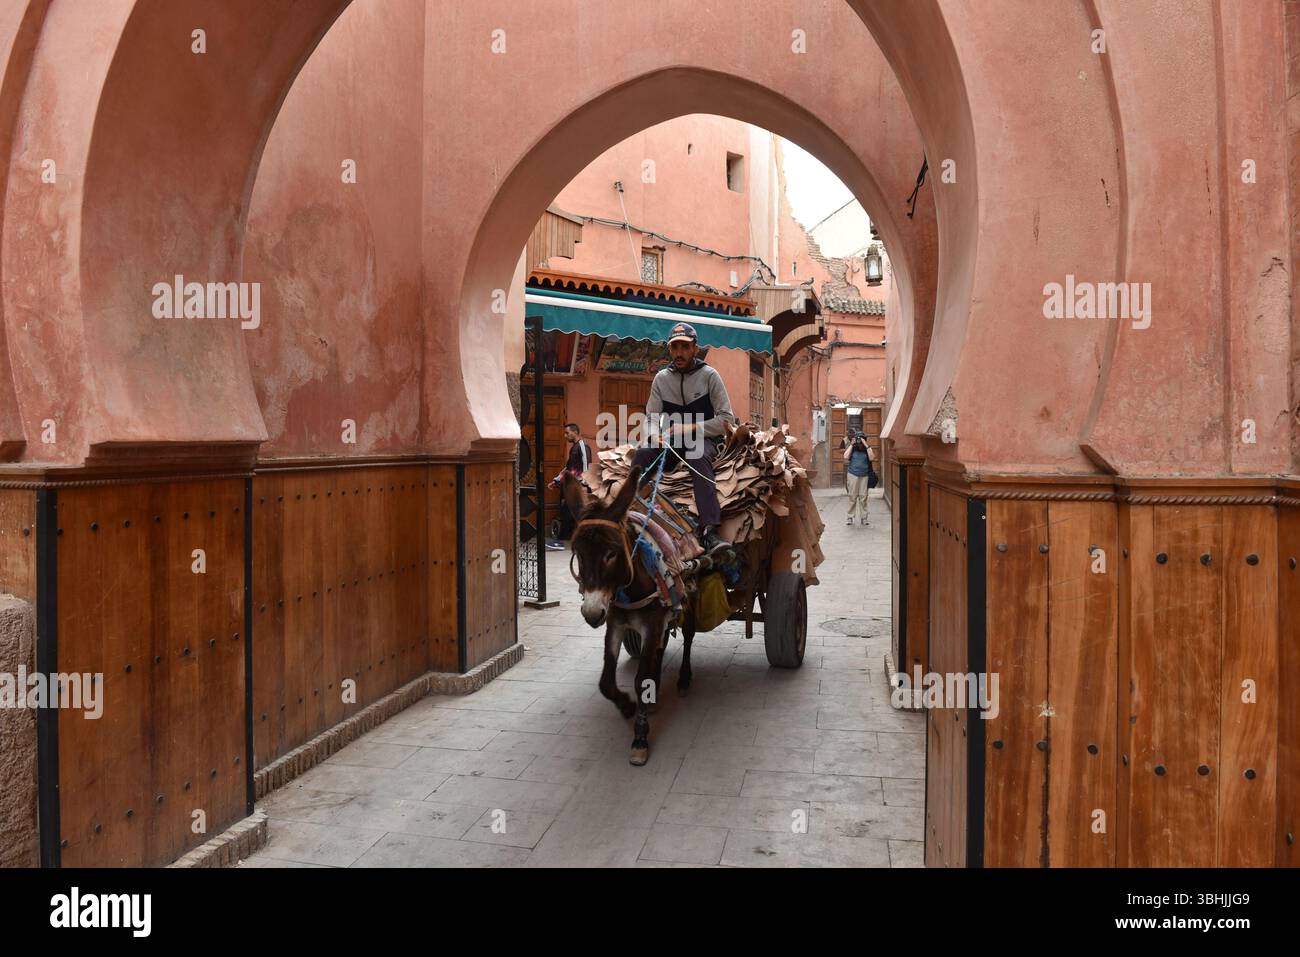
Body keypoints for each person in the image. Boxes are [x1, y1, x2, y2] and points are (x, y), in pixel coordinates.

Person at [632, 322, 732, 556]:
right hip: (671, 443)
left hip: (705, 439)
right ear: (670, 349)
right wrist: (654, 435)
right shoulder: (661, 379)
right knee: (641, 455)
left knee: (698, 457)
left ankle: (710, 530)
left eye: (685, 347)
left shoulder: (710, 376)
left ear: (695, 349)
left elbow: (726, 420)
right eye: (675, 347)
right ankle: (627, 509)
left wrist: (689, 428)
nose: (679, 352)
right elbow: (650, 417)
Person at [548, 423, 593, 548]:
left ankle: (564, 541)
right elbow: (568, 468)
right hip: (571, 487)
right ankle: (564, 540)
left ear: (575, 432)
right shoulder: (573, 448)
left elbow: (586, 466)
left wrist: (584, 485)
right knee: (566, 512)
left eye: (567, 433)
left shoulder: (583, 446)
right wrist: (556, 481)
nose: (565, 435)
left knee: (572, 512)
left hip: (579, 487)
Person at [843, 429, 876, 526]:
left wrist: (866, 445)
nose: (859, 441)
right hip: (853, 475)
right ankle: (850, 517)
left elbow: (872, 458)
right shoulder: (852, 448)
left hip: (864, 475)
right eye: (858, 439)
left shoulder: (867, 449)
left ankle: (864, 518)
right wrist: (852, 444)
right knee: (852, 497)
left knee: (863, 497)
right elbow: (845, 456)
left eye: (861, 439)